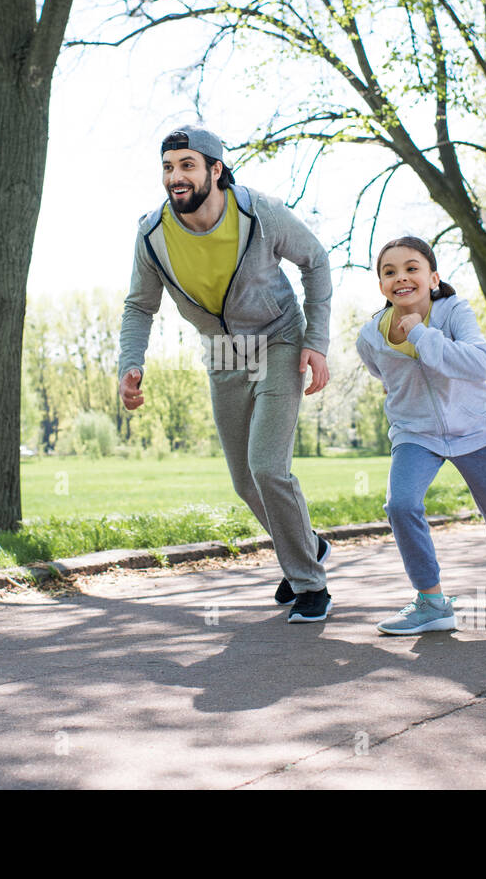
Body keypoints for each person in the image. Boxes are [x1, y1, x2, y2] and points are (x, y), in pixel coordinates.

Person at [117, 122, 336, 623]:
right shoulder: (152, 234)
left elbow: (317, 262)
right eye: (169, 168)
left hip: (279, 338)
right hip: (222, 354)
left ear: (216, 170)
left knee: (267, 466)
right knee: (244, 481)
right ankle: (309, 545)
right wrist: (132, 363)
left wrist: (316, 343)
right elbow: (139, 307)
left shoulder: (259, 213)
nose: (176, 177)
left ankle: (309, 584)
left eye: (187, 166)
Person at [355, 236, 486, 635]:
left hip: (476, 429)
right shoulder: (370, 336)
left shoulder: (454, 311)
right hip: (415, 433)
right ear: (381, 287)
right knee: (402, 505)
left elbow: (479, 365)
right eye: (389, 272)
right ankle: (431, 601)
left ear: (433, 277)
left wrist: (423, 336)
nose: (401, 277)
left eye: (411, 268)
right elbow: (383, 375)